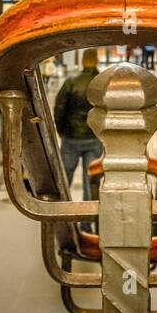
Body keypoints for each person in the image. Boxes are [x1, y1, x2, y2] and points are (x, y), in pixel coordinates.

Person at [53, 47, 103, 203]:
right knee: (90, 180)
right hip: (94, 138)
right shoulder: (103, 83)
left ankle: (63, 216)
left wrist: (61, 130)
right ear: (97, 61)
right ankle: (87, 223)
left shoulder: (71, 82)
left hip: (72, 137)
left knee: (64, 178)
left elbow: (59, 109)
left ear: (82, 62)